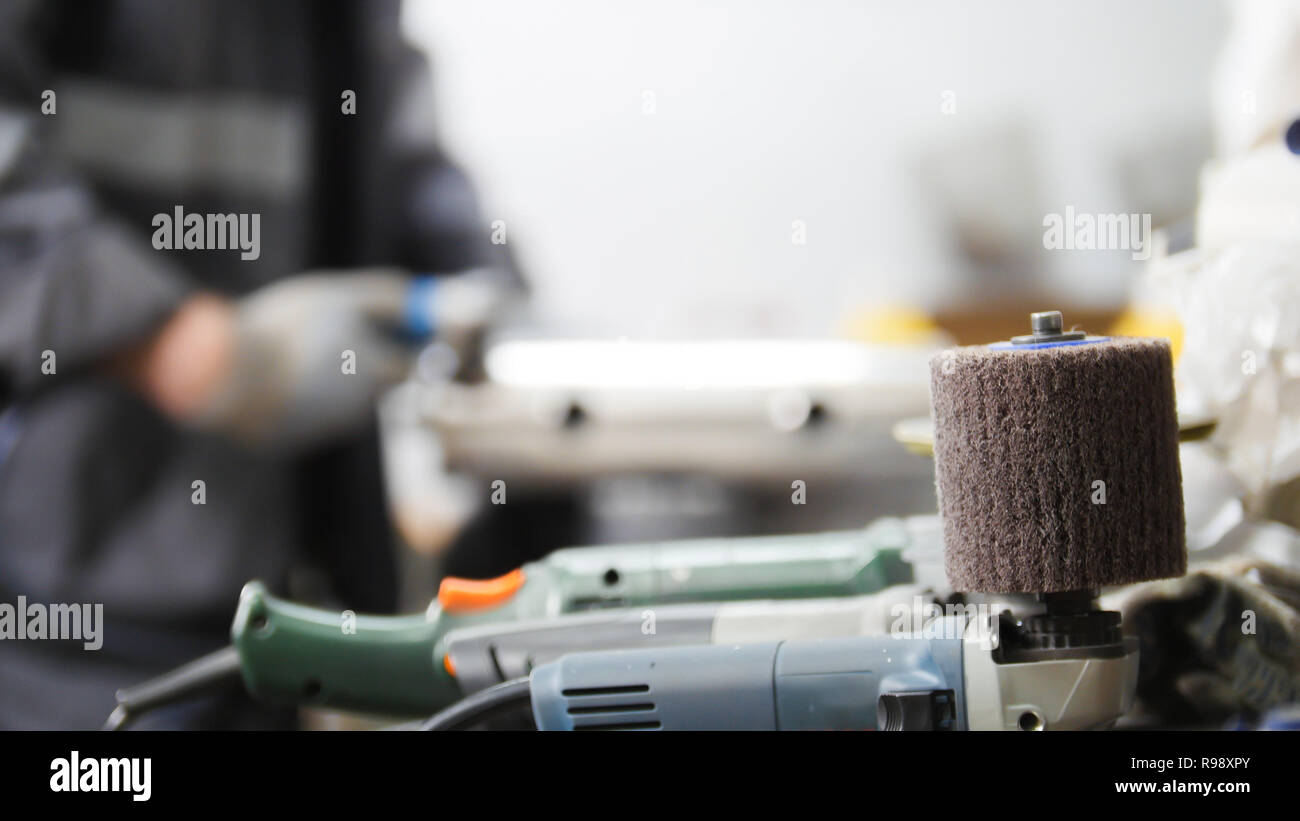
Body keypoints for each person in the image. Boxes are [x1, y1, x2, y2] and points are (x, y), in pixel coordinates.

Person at [0, 0, 518, 728]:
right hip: (72, 639)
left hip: (283, 617)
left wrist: (496, 305)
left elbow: (400, 161)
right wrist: (188, 350)